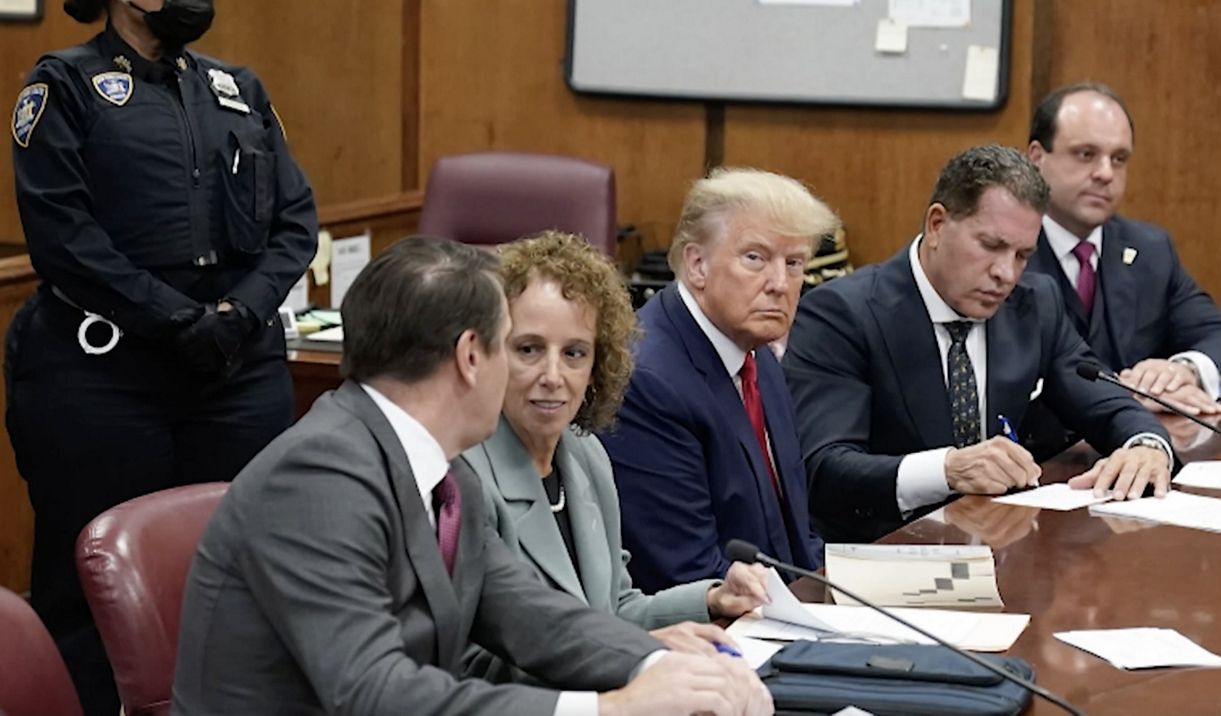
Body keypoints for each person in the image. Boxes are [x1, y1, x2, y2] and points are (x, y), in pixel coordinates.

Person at [171, 236, 772, 716]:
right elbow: (375, 693)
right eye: (516, 345)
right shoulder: (319, 476)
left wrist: (664, 669)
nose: (540, 373)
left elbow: (529, 613)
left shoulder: (440, 472)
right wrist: (607, 709)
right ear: (470, 357)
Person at [6, 1, 316, 711]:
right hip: (105, 380)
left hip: (233, 373)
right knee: (87, 594)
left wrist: (239, 314)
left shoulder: (237, 88)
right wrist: (175, 319)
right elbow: (63, 237)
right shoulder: (64, 88)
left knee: (243, 579)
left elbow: (295, 224)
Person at [783, 145, 1174, 544]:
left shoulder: (1035, 304)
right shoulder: (842, 314)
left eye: (1023, 255)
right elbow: (823, 469)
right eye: (990, 246)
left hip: (1002, 555)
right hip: (882, 558)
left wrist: (1145, 446)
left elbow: (1105, 401)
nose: (1006, 273)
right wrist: (947, 470)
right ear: (936, 225)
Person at [459, 232, 770, 681]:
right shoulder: (464, 477)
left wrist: (712, 600)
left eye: (574, 353)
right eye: (528, 349)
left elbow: (614, 609)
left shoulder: (585, 456)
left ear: (597, 364)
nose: (553, 376)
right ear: (488, 352)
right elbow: (468, 664)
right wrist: (634, 654)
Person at [599, 168, 837, 592]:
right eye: (755, 258)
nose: (780, 284)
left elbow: (795, 539)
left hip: (782, 608)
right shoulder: (648, 380)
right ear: (697, 264)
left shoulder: (757, 354)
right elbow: (683, 569)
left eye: (795, 263)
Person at [1025, 82, 1221, 416]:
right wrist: (1126, 396)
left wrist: (1181, 373)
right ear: (1036, 158)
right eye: (1086, 154)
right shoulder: (1002, 253)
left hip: (1143, 452)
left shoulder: (1149, 251)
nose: (1105, 173)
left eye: (1118, 159)